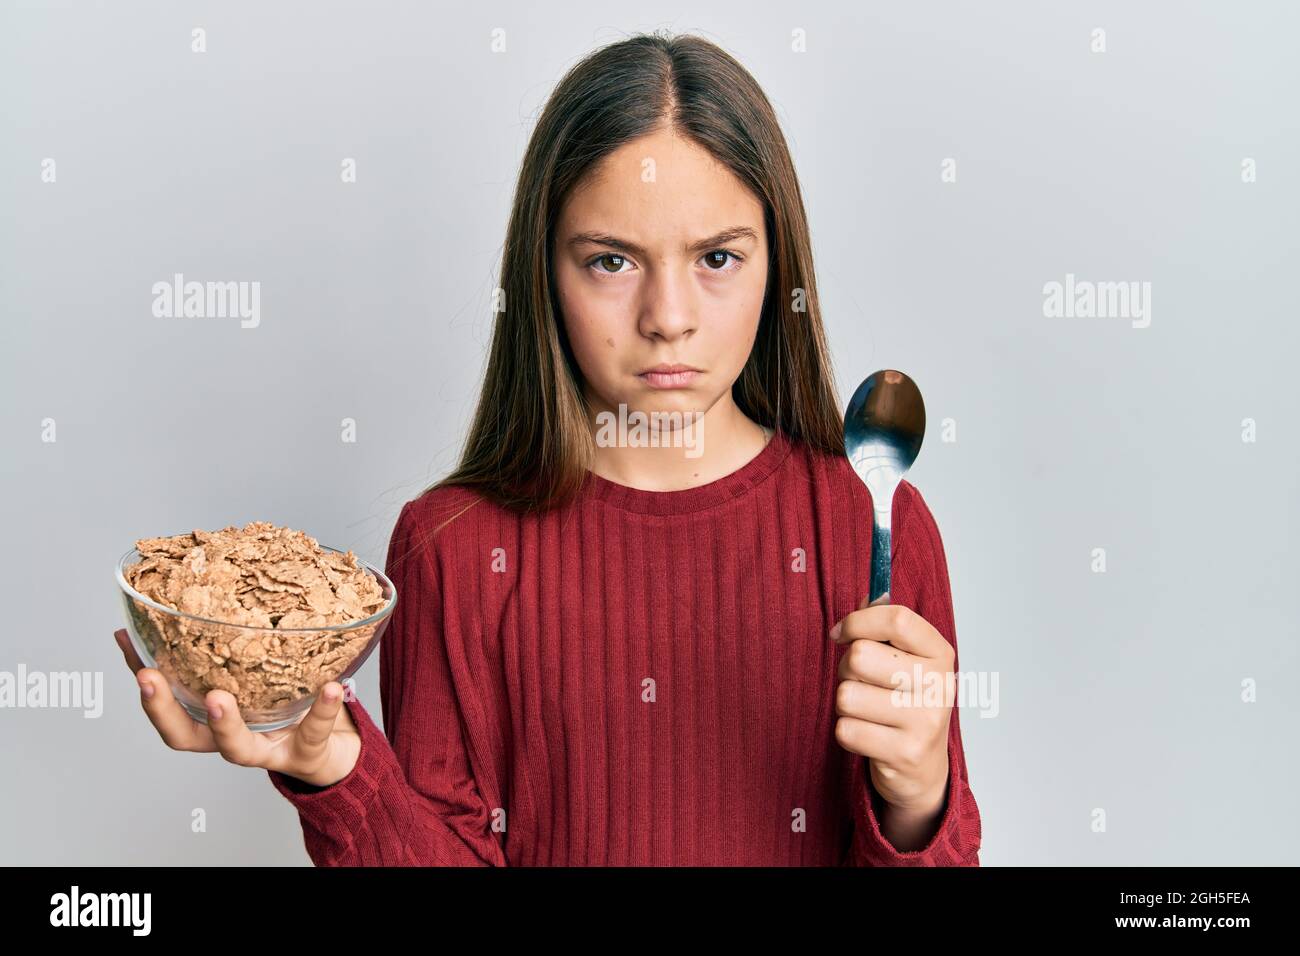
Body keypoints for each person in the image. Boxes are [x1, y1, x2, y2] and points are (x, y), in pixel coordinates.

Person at [115, 31, 981, 866]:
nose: (667, 316)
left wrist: (917, 800)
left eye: (717, 256)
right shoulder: (452, 547)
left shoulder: (874, 519)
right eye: (611, 261)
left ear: (777, 264)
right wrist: (338, 769)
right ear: (544, 272)